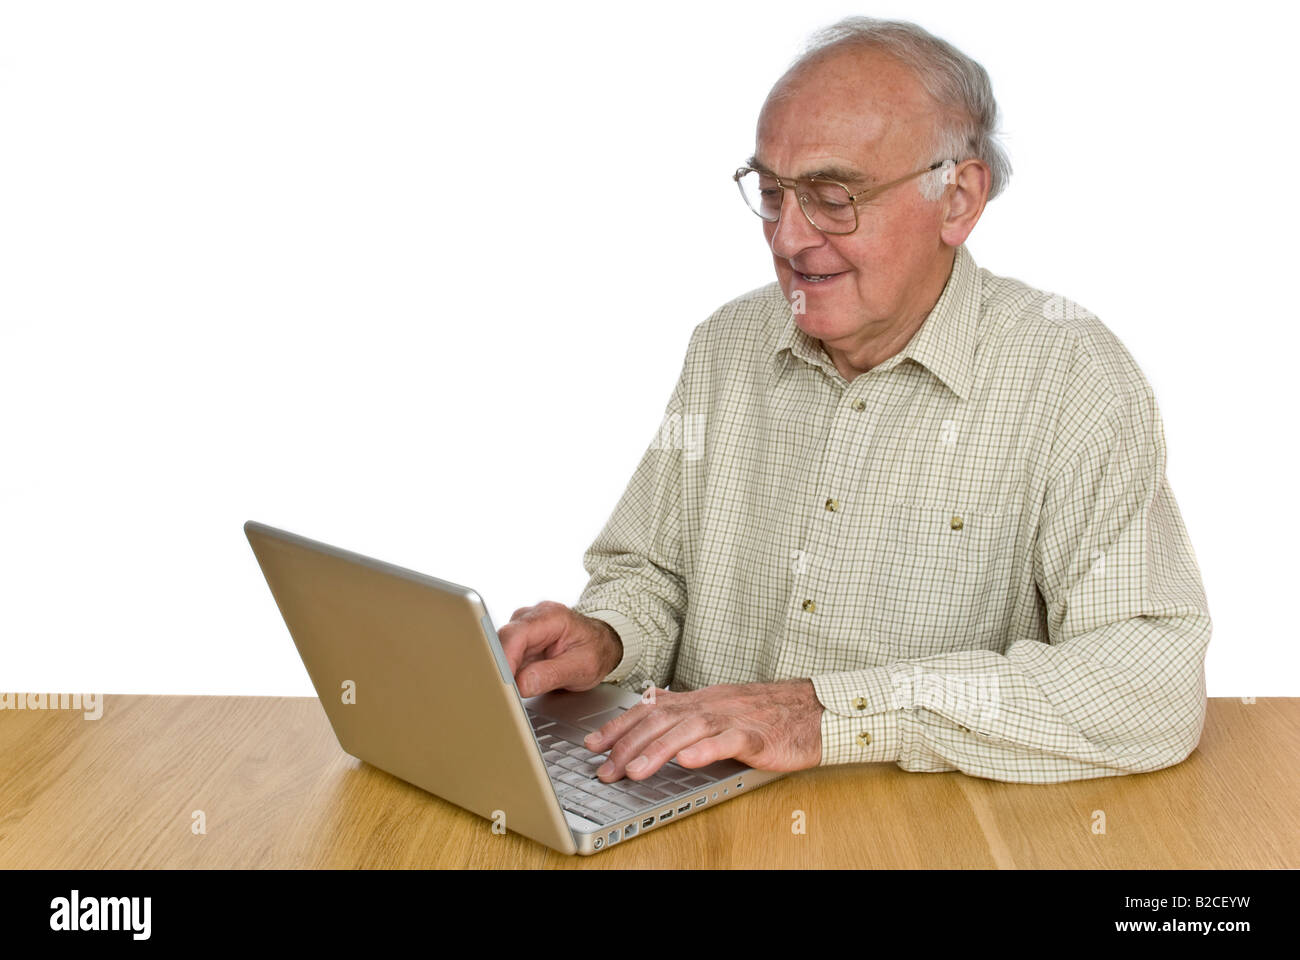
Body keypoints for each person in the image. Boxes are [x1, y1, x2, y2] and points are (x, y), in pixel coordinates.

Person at [498, 16, 1212, 784]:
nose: (788, 238)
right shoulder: (726, 345)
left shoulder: (1072, 376)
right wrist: (608, 635)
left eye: (832, 197)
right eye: (771, 193)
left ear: (958, 198)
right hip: (705, 810)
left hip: (934, 830)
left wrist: (821, 714)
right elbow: (652, 576)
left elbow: (1151, 687)